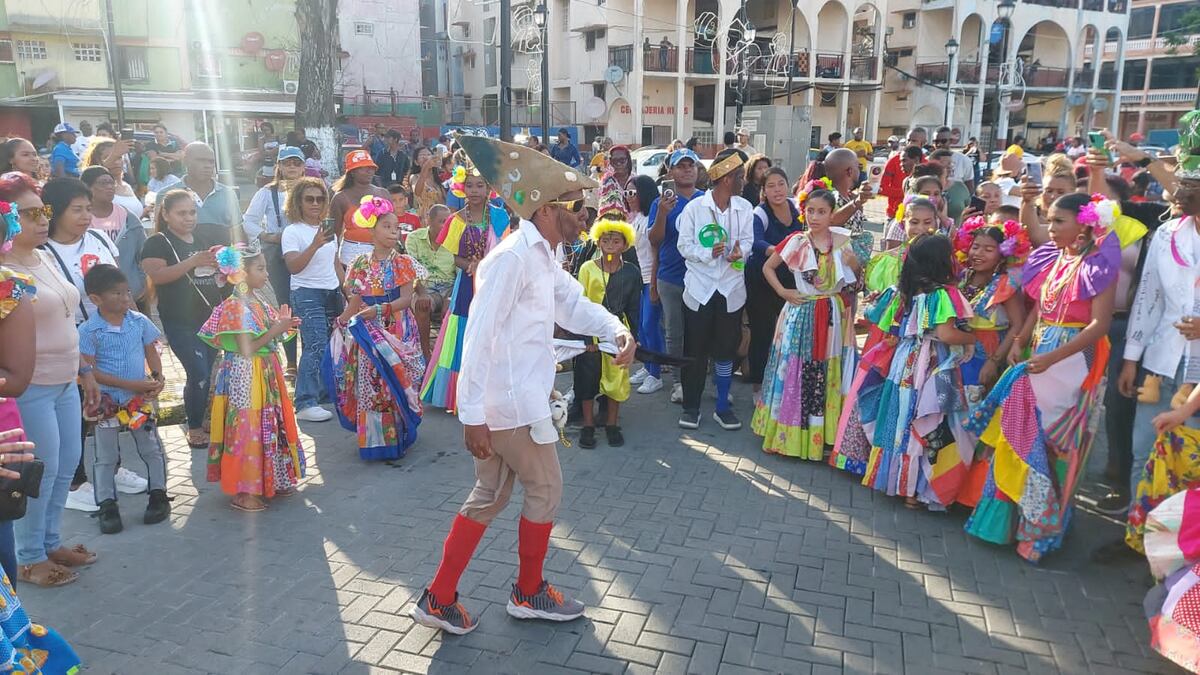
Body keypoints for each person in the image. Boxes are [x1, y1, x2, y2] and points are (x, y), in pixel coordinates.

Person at [410, 135, 635, 635]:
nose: (586, 217)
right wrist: (471, 416)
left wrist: (615, 329)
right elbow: (479, 337)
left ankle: (439, 597)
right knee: (545, 488)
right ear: (548, 209)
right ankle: (528, 592)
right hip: (509, 405)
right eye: (577, 207)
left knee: (489, 494)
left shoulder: (542, 256)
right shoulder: (513, 258)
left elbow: (572, 305)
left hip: (508, 402)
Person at [964, 193, 1120, 563]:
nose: (1050, 229)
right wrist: (1020, 340)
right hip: (1041, 350)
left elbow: (1100, 325)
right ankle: (1001, 523)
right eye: (1049, 221)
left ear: (1083, 223)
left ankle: (1038, 532)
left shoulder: (1097, 263)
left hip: (1073, 358)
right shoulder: (1056, 257)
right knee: (1017, 433)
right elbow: (1038, 309)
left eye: (1058, 222)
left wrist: (1052, 356)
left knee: (1052, 442)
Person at [0, 172, 101, 586]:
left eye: (43, 210)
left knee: (65, 467)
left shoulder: (42, 256)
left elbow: (66, 316)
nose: (43, 220)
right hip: (31, 386)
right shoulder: (4, 271)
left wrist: (85, 371)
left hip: (64, 380)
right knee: (39, 471)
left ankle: (49, 542)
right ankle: (28, 558)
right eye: (28, 214)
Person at [851, 234, 976, 509]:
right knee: (926, 419)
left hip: (903, 362)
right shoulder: (941, 296)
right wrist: (974, 338)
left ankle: (894, 480)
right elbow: (945, 333)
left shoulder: (906, 292)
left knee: (899, 417)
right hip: (929, 363)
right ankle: (914, 491)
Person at [752, 188, 858, 460]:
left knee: (826, 367)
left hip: (831, 314)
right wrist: (783, 292)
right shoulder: (796, 241)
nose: (814, 217)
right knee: (796, 367)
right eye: (810, 211)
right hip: (801, 313)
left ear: (832, 213)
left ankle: (822, 435)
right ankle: (791, 436)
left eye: (821, 211)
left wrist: (855, 264)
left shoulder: (844, 242)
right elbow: (768, 267)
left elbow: (856, 279)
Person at [199, 245, 305, 511]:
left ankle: (272, 477)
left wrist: (284, 325)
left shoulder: (256, 301)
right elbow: (247, 347)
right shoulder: (234, 307)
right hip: (245, 375)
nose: (266, 274)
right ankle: (244, 490)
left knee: (268, 422)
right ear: (241, 274)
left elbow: (269, 333)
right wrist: (277, 328)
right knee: (246, 427)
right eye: (260, 268)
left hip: (264, 372)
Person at [328, 199, 426, 461]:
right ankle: (376, 438)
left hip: (396, 327)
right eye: (387, 226)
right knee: (372, 381)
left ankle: (399, 432)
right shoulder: (359, 263)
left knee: (395, 378)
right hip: (368, 330)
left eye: (396, 226)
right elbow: (356, 299)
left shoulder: (403, 263)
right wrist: (342, 320)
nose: (394, 231)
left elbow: (407, 299)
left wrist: (381, 310)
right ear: (371, 229)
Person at [78, 264, 170, 533]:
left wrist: (157, 377)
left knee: (150, 447)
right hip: (106, 404)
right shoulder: (89, 331)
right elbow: (90, 370)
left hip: (139, 402)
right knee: (105, 456)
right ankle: (107, 503)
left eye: (127, 292)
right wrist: (132, 384)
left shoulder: (138, 321)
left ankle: (158, 494)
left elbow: (151, 349)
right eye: (117, 294)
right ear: (96, 299)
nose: (126, 298)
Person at [952, 218, 1029, 507]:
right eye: (975, 246)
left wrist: (994, 362)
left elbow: (1018, 327)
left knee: (975, 421)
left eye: (988, 249)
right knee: (955, 417)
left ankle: (971, 494)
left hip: (985, 354)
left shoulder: (1006, 285)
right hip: (957, 354)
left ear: (1003, 254)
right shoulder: (962, 277)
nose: (978, 253)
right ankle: (949, 485)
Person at [140, 189, 226, 448]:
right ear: (165, 215)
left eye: (192, 212)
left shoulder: (203, 237)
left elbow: (216, 274)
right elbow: (159, 276)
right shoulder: (157, 242)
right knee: (197, 371)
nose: (188, 218)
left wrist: (224, 269)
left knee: (210, 371)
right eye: (181, 213)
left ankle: (205, 417)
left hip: (210, 316)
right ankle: (195, 427)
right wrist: (193, 262)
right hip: (179, 320)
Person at [675, 148, 754, 431]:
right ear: (724, 178)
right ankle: (691, 407)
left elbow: (747, 241)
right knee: (694, 350)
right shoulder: (695, 208)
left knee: (726, 350)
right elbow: (683, 246)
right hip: (699, 289)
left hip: (731, 289)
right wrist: (709, 252)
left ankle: (722, 405)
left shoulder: (744, 208)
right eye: (739, 176)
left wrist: (738, 253)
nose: (744, 180)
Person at [421, 166, 509, 410]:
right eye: (470, 185)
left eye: (480, 185)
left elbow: (505, 250)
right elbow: (453, 258)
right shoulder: (456, 220)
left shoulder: (500, 216)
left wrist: (487, 265)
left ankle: (493, 390)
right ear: (461, 187)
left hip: (494, 282)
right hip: (467, 285)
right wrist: (471, 265)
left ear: (490, 189)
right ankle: (462, 394)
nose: (474, 190)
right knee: (464, 330)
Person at [574, 218, 641, 448]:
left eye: (616, 240)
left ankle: (612, 424)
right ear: (598, 242)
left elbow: (634, 307)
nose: (610, 244)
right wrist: (586, 339)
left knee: (616, 377)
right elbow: (579, 305)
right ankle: (588, 425)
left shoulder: (631, 272)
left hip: (618, 333)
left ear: (625, 244)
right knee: (586, 379)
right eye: (605, 239)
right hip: (590, 331)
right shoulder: (586, 269)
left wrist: (633, 338)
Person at [282, 177, 343, 423]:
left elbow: (335, 262)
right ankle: (305, 401)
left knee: (330, 345)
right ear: (298, 201)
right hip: (306, 293)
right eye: (310, 199)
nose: (316, 203)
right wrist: (315, 244)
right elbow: (293, 266)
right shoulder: (292, 231)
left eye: (320, 199)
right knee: (315, 344)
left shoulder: (329, 229)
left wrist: (348, 289)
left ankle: (323, 394)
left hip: (331, 291)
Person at [648, 149, 705, 404]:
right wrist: (662, 213)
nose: (686, 170)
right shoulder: (661, 201)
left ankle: (698, 379)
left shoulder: (706, 200)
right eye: (680, 166)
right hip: (671, 277)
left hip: (703, 277)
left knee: (699, 331)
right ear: (670, 171)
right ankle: (678, 384)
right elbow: (654, 240)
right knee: (674, 332)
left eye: (690, 165)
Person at [243, 146, 307, 375]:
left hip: (306, 251)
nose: (292, 167)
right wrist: (268, 236)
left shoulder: (311, 190)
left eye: (296, 163)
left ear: (303, 167)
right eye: (287, 163)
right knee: (285, 303)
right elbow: (248, 220)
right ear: (278, 165)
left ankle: (310, 357)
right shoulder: (267, 192)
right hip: (278, 250)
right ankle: (291, 360)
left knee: (308, 301)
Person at [746, 168, 803, 392]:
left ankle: (784, 385)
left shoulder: (797, 208)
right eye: (771, 186)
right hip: (761, 279)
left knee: (789, 333)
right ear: (763, 191)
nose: (777, 190)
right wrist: (781, 252)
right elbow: (755, 241)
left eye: (781, 183)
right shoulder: (759, 213)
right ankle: (758, 387)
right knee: (763, 333)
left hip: (790, 279)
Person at [40, 178, 118, 324]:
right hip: (73, 336)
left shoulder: (99, 238)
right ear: (55, 212)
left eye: (88, 209)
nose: (86, 216)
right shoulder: (41, 252)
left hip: (117, 330)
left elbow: (123, 286)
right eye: (77, 210)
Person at [80, 167, 148, 310]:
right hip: (94, 299)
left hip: (131, 295)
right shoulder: (81, 221)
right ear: (87, 187)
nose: (110, 187)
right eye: (103, 183)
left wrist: (142, 283)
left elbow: (144, 254)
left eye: (112, 183)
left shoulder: (128, 218)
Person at [625, 175, 663, 394]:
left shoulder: (652, 216)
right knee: (641, 328)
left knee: (650, 326)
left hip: (652, 278)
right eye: (627, 193)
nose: (629, 197)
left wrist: (655, 284)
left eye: (633, 193)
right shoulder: (636, 217)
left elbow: (656, 249)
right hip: (640, 279)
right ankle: (649, 368)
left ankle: (655, 373)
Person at [156, 143, 241, 236]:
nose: (207, 166)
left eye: (211, 161)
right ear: (185, 161)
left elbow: (238, 233)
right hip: (181, 250)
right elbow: (161, 236)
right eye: (201, 160)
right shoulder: (166, 195)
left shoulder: (228, 194)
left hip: (221, 250)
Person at [406, 204, 455, 361]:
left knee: (452, 307)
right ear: (430, 221)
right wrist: (422, 293)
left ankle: (446, 355)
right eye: (441, 222)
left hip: (449, 287)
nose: (445, 226)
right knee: (423, 304)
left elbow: (460, 276)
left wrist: (452, 297)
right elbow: (411, 271)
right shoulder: (414, 238)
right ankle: (426, 354)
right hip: (423, 286)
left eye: (448, 222)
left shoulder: (455, 240)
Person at [331, 149, 390, 267]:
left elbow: (392, 225)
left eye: (371, 167)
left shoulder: (383, 193)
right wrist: (333, 262)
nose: (369, 171)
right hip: (350, 253)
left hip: (380, 251)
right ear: (352, 172)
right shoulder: (340, 197)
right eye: (363, 167)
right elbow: (333, 234)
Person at [81, 137, 144, 218]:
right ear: (97, 161)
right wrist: (114, 154)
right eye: (108, 157)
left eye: (119, 157)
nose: (116, 162)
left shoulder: (126, 185)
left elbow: (132, 218)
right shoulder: (95, 187)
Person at [929, 148, 972, 224]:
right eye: (946, 163)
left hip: (957, 233)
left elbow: (970, 210)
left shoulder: (960, 187)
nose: (950, 166)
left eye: (951, 163)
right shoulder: (924, 187)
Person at [880, 145, 923, 219]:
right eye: (900, 161)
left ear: (916, 160)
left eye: (904, 160)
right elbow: (882, 188)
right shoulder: (906, 181)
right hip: (896, 217)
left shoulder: (926, 182)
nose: (901, 164)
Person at [933, 126, 976, 192]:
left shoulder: (964, 160)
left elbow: (969, 186)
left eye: (943, 141)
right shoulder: (928, 160)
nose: (939, 144)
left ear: (950, 141)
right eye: (936, 141)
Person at [412, 145, 447, 217]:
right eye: (422, 155)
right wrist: (426, 167)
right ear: (416, 162)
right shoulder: (414, 177)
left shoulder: (438, 178)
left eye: (428, 154)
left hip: (439, 218)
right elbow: (417, 192)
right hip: (424, 217)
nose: (426, 157)